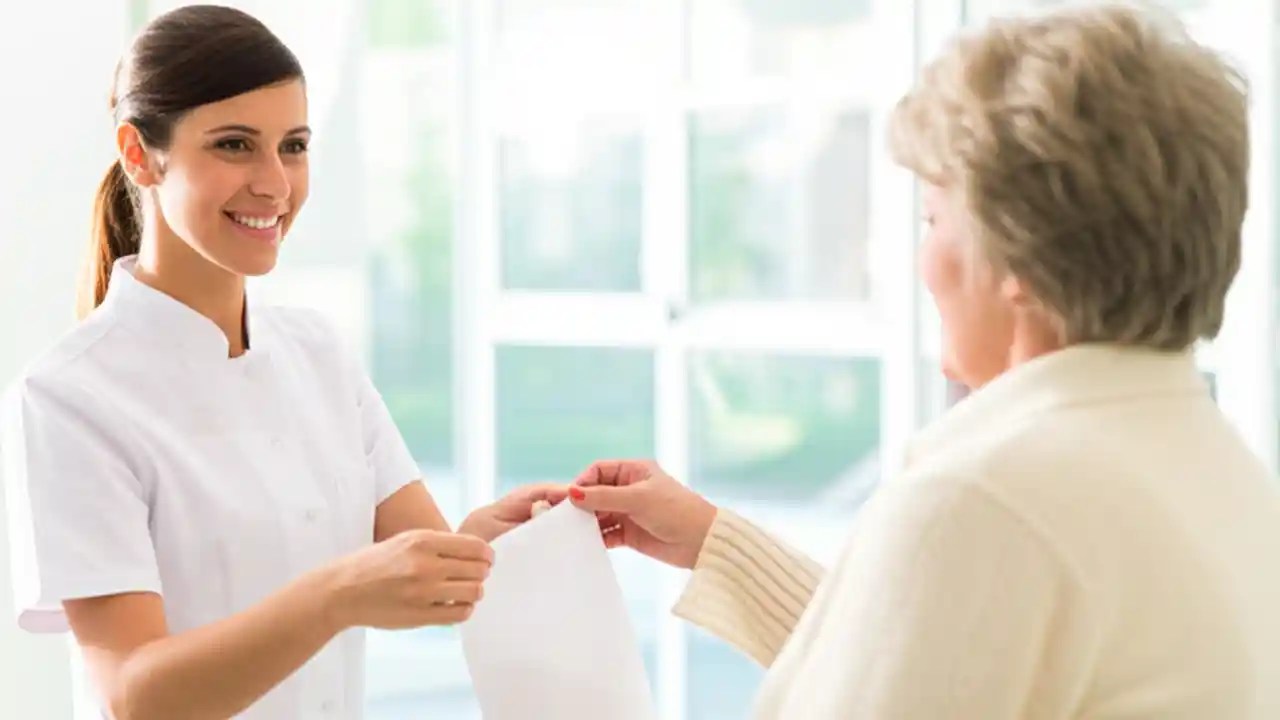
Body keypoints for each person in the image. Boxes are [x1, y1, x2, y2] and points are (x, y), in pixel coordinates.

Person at [567, 4, 1280, 718]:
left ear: (1017, 256)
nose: (920, 261)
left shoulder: (985, 500)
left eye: (933, 219)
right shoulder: (1221, 475)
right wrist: (717, 546)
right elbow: (961, 667)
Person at [0, 6, 552, 718]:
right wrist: (336, 596)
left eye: (294, 145)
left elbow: (428, 576)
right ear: (140, 154)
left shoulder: (318, 352)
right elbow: (136, 694)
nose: (275, 183)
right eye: (234, 145)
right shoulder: (72, 397)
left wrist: (500, 540)